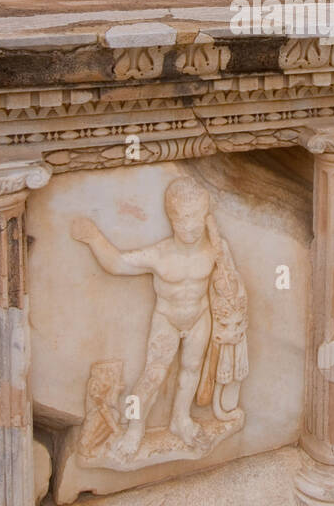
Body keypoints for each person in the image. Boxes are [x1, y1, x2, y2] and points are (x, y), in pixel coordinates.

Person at [71, 177, 245, 457]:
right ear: (171, 217)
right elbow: (118, 263)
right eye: (183, 218)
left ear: (206, 216)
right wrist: (94, 238)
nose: (190, 226)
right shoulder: (160, 255)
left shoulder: (214, 248)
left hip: (199, 317)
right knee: (153, 375)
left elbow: (230, 283)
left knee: (191, 369)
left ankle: (180, 420)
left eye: (196, 217)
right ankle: (135, 430)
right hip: (167, 319)